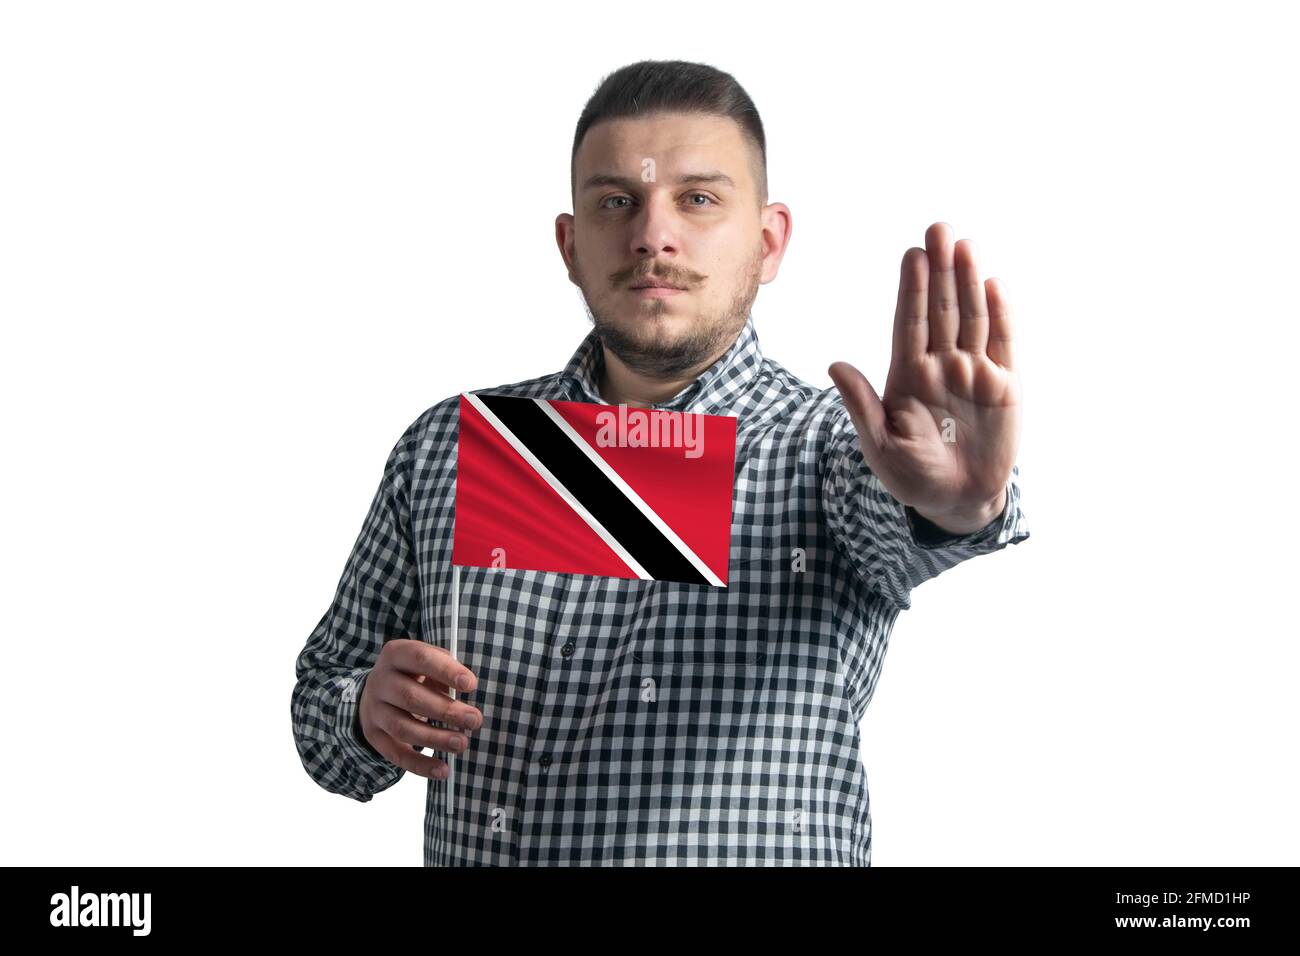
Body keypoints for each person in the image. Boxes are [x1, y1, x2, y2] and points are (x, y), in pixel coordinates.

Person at [291, 59, 1030, 866]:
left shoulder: (832, 452)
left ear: (770, 238)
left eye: (699, 199)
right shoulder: (451, 447)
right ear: (570, 244)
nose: (653, 235)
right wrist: (365, 709)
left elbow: (908, 526)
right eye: (617, 202)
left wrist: (957, 502)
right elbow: (322, 715)